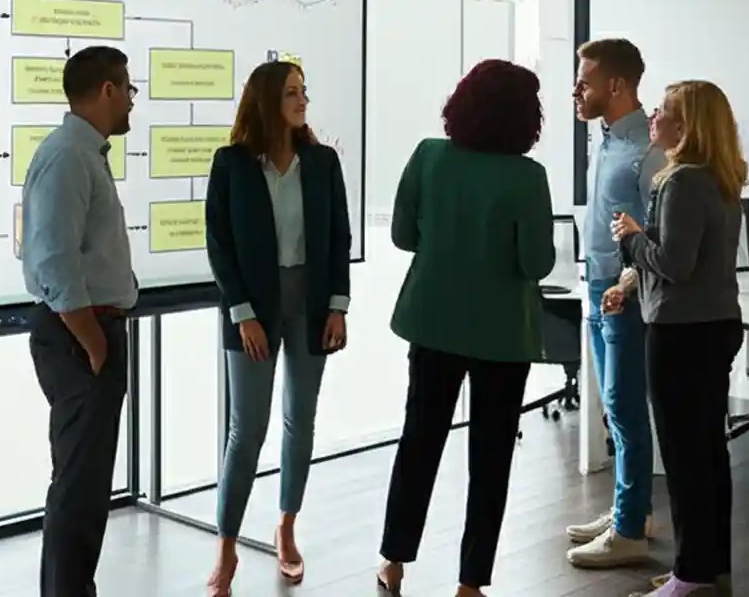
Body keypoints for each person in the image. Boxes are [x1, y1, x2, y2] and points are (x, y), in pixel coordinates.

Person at [375, 59, 555, 597]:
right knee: (492, 456)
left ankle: (393, 560)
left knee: (420, 442)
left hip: (433, 323)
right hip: (503, 334)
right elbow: (536, 264)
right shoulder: (528, 177)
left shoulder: (430, 157)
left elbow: (403, 236)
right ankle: (471, 582)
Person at [203, 59, 352, 596]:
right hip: (252, 314)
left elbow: (339, 237)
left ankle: (286, 526)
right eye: (292, 92)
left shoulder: (322, 161)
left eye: (304, 91)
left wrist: (338, 306)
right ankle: (226, 548)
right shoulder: (231, 164)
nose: (303, 100)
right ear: (267, 99)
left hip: (311, 306)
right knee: (246, 433)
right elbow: (218, 245)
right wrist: (243, 314)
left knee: (301, 421)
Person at [610, 80, 748, 597]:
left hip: (681, 334)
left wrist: (630, 240)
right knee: (708, 453)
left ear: (685, 126)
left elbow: (673, 264)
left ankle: (689, 576)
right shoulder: (721, 179)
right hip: (715, 328)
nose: (654, 119)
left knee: (685, 456)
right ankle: (708, 567)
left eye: (663, 112)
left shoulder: (682, 181)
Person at [22, 45, 139, 597]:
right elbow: (54, 259)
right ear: (108, 91)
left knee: (87, 489)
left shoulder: (83, 153)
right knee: (78, 489)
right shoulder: (68, 156)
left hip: (89, 333)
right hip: (78, 337)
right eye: (129, 89)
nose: (132, 101)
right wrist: (93, 343)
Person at [567, 38, 664, 569]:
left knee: (625, 412)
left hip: (623, 298)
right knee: (614, 411)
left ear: (617, 85)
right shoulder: (604, 142)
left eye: (584, 81)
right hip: (595, 288)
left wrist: (622, 288)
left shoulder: (647, 153)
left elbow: (657, 237)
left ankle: (629, 529)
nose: (576, 91)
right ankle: (633, 511)